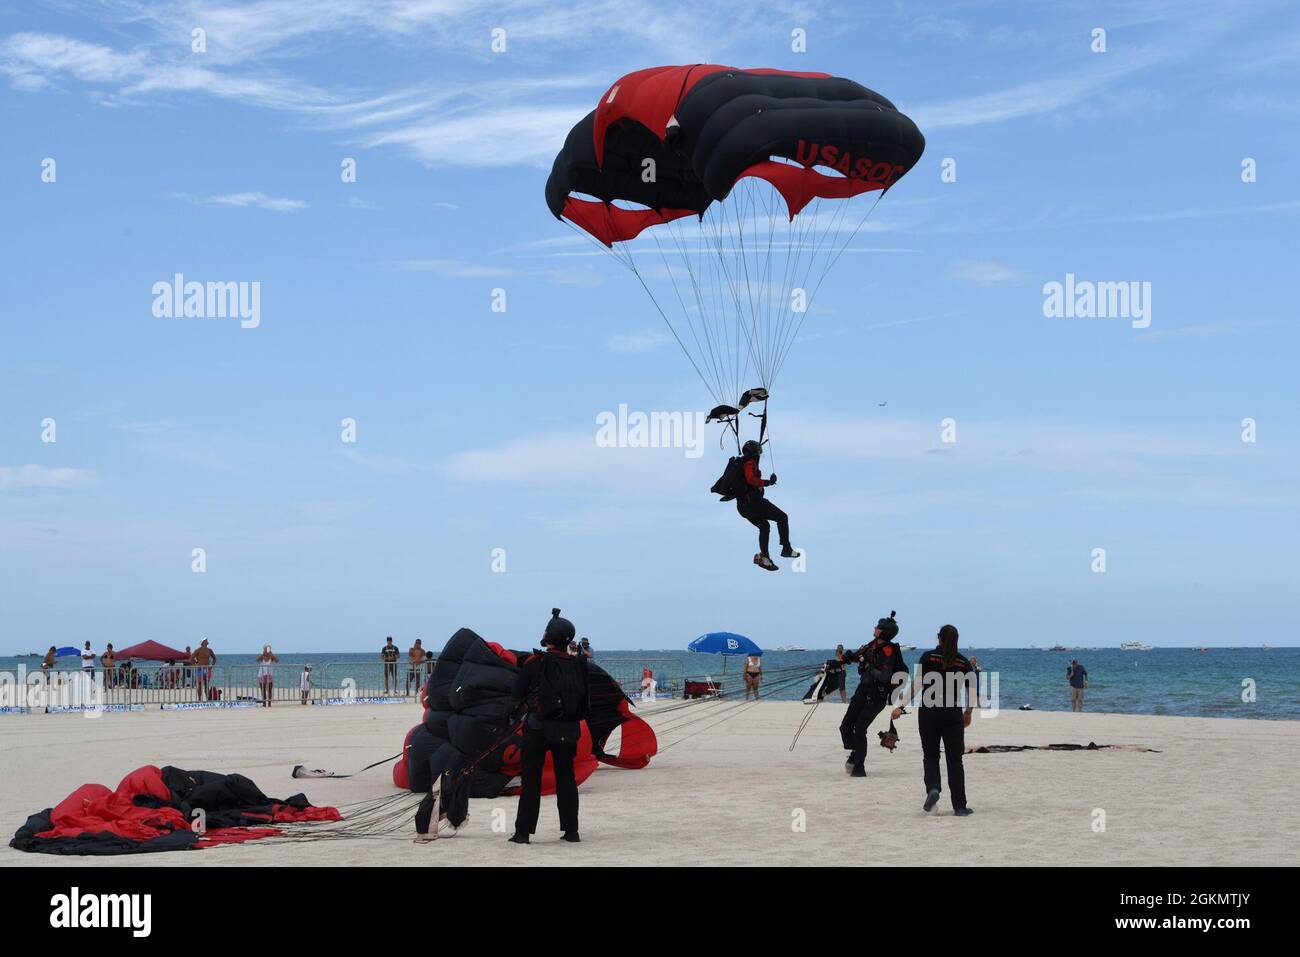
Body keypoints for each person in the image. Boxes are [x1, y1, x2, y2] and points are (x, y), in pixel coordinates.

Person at [508, 608, 590, 845]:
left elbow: (516, 697)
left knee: (531, 780)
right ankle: (571, 832)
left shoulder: (535, 663)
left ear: (548, 638)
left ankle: (523, 833)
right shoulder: (578, 664)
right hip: (568, 730)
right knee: (567, 779)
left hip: (538, 728)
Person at [892, 624, 977, 816]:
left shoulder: (928, 657)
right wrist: (968, 713)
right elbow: (972, 692)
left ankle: (933, 788)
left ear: (938, 638)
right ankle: (960, 807)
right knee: (955, 760)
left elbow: (917, 685)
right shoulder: (964, 663)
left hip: (928, 713)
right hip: (952, 713)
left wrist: (901, 707)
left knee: (930, 755)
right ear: (957, 640)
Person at [839, 611, 908, 777]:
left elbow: (884, 676)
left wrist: (868, 664)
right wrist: (848, 658)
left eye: (878, 627)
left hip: (877, 696)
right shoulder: (872, 645)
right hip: (862, 691)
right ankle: (855, 753)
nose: (875, 628)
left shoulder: (890, 651)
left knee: (860, 729)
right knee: (845, 726)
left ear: (883, 631)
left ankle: (859, 768)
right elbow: (859, 657)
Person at [734, 440, 798, 572]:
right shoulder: (749, 462)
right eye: (758, 452)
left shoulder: (741, 463)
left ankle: (764, 557)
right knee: (782, 517)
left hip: (743, 508)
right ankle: (786, 548)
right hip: (753, 503)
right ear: (754, 452)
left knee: (764, 526)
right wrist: (767, 482)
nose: (760, 454)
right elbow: (751, 479)